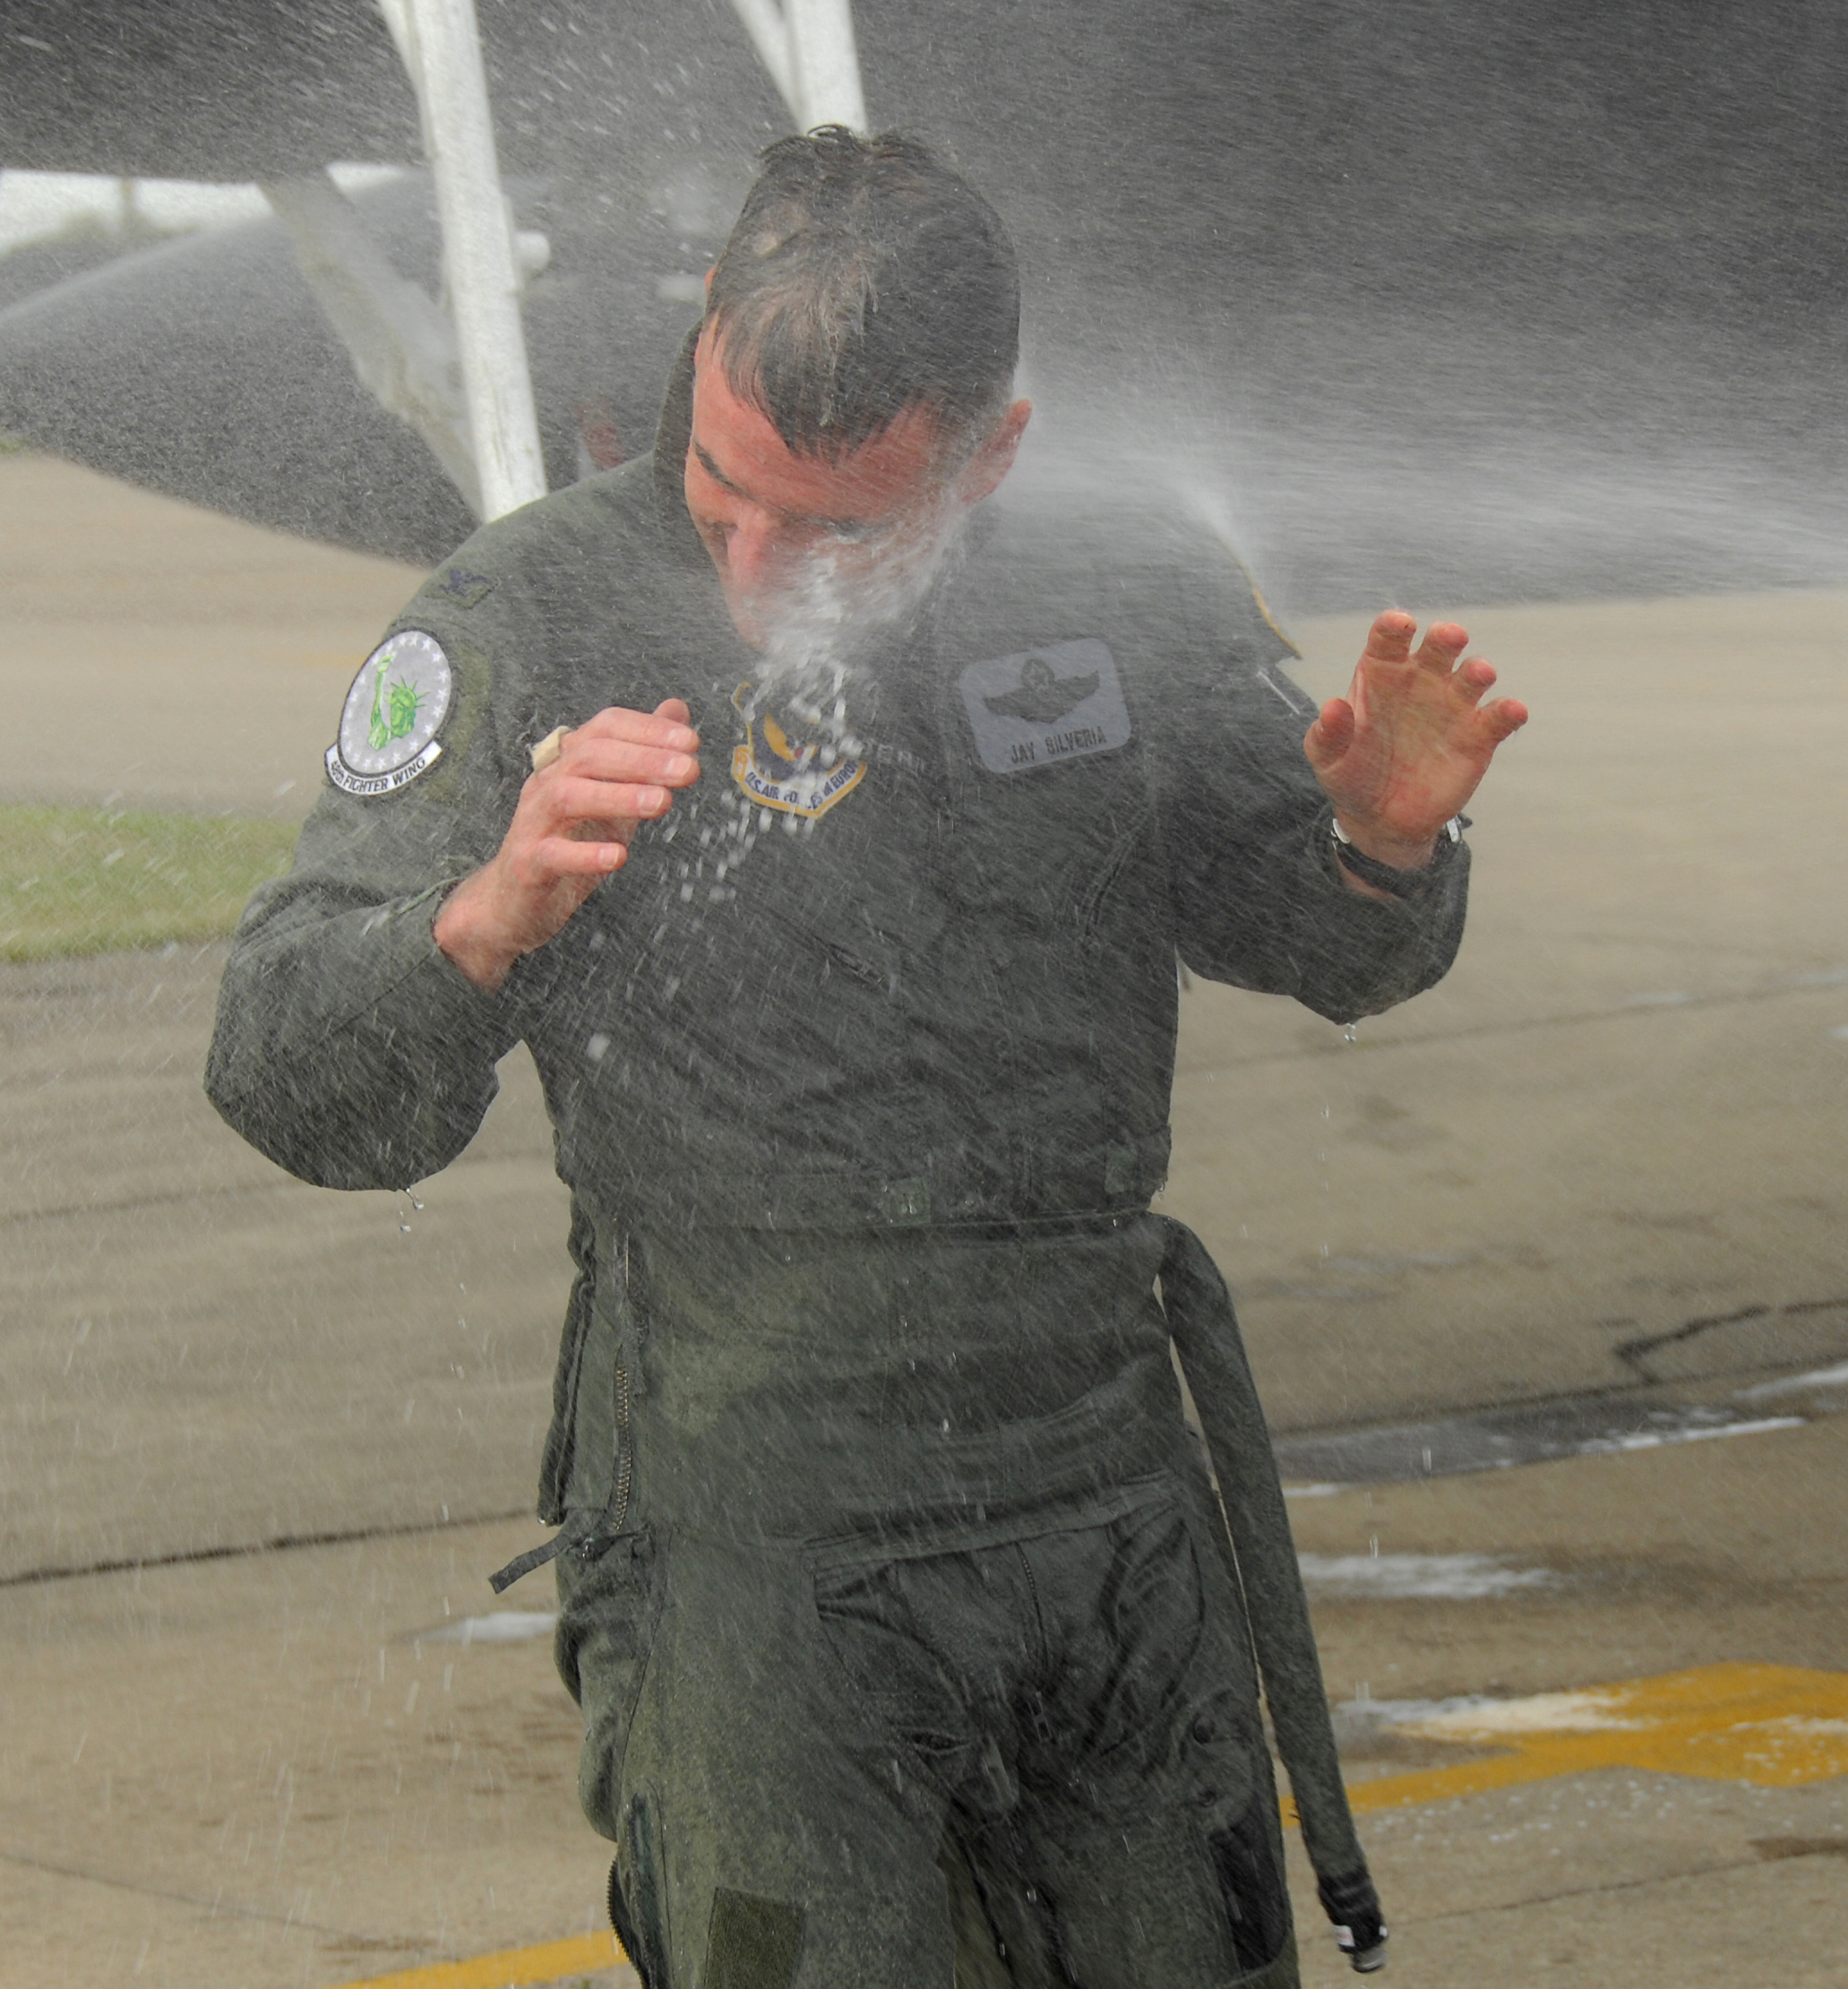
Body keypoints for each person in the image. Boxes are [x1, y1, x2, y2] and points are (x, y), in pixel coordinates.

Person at [206, 127, 1526, 1989]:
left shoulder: (1120, 584)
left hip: (1105, 1510)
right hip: (759, 1529)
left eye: (835, 530)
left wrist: (1382, 848)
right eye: (720, 488)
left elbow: (1311, 936)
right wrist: (483, 920)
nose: (758, 571)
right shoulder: (530, 614)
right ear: (701, 375)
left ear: (989, 456)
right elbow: (282, 1071)